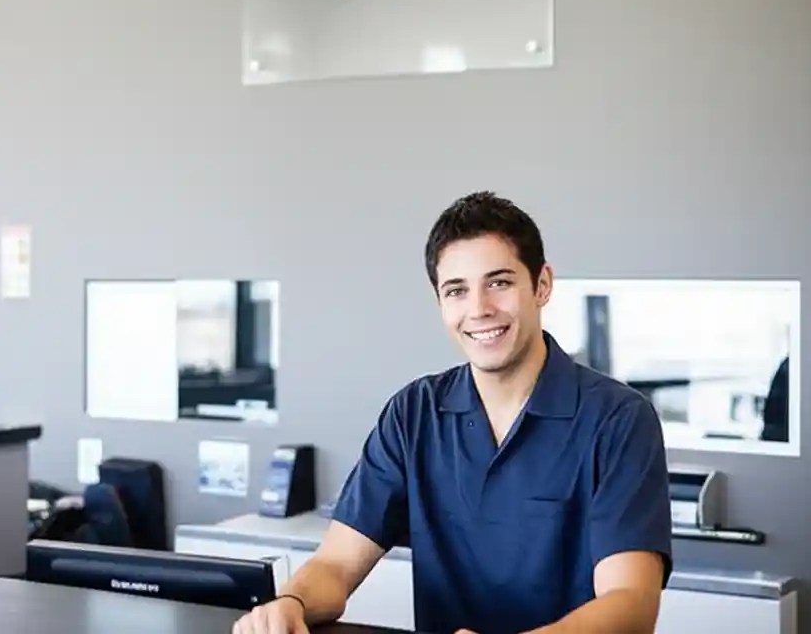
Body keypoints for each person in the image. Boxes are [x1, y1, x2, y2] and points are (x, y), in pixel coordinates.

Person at [232, 192, 672, 634]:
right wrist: (292, 602)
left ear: (542, 285)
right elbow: (337, 563)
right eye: (456, 290)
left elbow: (630, 605)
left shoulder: (619, 419)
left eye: (499, 282)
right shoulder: (413, 414)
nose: (478, 309)